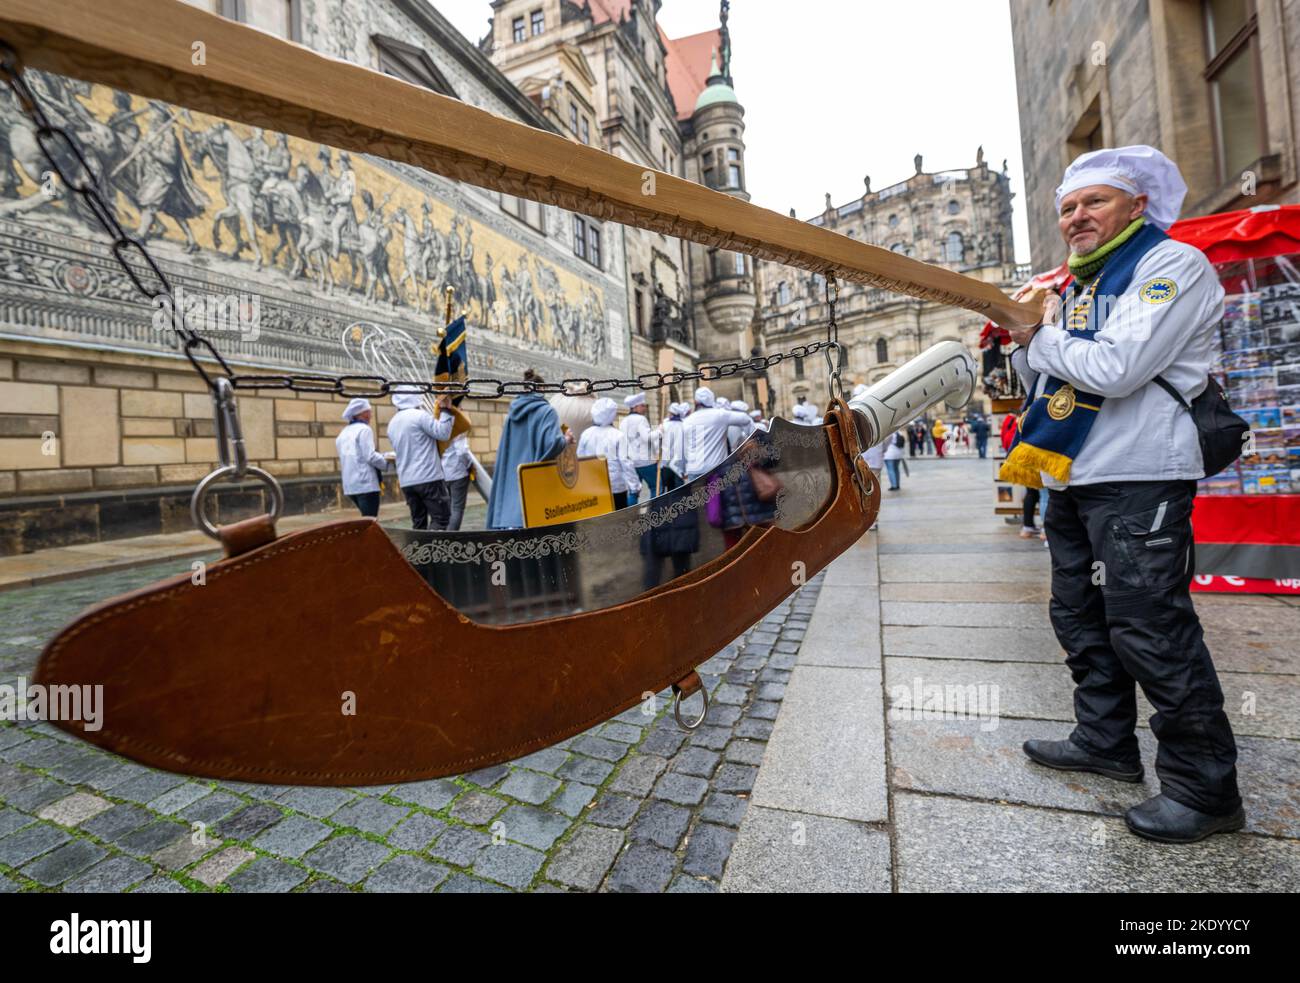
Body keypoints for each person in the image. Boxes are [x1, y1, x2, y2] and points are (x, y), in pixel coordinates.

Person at [1002, 145, 1242, 843]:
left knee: (1150, 626)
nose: (1077, 216)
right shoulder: (1079, 284)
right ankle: (1105, 740)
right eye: (1068, 208)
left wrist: (1037, 333)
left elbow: (1116, 366)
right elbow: (1045, 382)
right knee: (1078, 615)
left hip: (1140, 475)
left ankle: (1206, 788)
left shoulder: (1172, 265)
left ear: (1137, 205)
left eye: (1093, 202)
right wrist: (1028, 338)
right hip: (1074, 475)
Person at [486, 370, 571, 529]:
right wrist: (566, 439)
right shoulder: (547, 411)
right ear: (543, 389)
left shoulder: (512, 412)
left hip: (509, 499)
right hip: (534, 490)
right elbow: (552, 444)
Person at [388, 391, 455, 530]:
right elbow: (443, 433)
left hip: (407, 481)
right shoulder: (419, 416)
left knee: (419, 523)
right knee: (441, 518)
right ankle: (432, 550)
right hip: (428, 477)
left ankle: (418, 550)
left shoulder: (392, 423)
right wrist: (445, 409)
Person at [578, 397, 639, 510]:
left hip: (593, 487)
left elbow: (580, 460)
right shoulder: (617, 435)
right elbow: (626, 462)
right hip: (615, 487)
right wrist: (634, 486)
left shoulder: (586, 434)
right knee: (619, 519)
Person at [334, 397, 391, 517]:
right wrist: (387, 463)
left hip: (350, 486)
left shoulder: (343, 433)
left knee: (366, 519)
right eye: (369, 411)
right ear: (363, 413)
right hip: (366, 485)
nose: (371, 415)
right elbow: (370, 456)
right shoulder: (364, 430)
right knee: (370, 521)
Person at [682, 386, 754, 479]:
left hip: (694, 470)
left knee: (697, 494)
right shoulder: (720, 415)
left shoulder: (687, 420)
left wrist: (683, 469)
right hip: (715, 469)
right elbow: (745, 419)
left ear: (695, 402)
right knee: (717, 493)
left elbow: (684, 447)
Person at [619, 392, 655, 504]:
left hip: (631, 462)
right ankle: (655, 513)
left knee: (634, 492)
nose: (645, 408)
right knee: (656, 487)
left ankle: (631, 516)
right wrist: (660, 431)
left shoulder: (623, 421)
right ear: (635, 407)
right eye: (642, 406)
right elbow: (647, 437)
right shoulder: (641, 419)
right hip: (645, 462)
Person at [441, 431, 472, 531]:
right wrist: (470, 464)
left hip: (443, 473)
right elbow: (462, 451)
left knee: (448, 508)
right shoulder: (457, 426)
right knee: (457, 508)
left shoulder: (438, 425)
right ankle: (451, 537)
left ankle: (446, 535)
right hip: (458, 473)